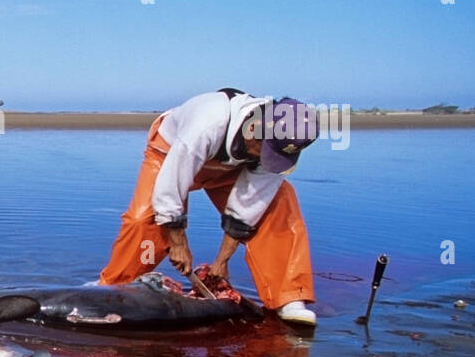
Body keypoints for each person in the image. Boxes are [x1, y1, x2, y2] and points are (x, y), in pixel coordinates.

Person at [98, 88, 321, 325]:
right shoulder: (207, 124)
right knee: (146, 220)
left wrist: (221, 261)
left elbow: (247, 210)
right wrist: (178, 243)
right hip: (169, 154)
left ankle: (289, 297)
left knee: (280, 203)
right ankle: (115, 287)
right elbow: (170, 188)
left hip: (230, 169)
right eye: (265, 150)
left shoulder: (279, 144)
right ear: (254, 128)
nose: (267, 159)